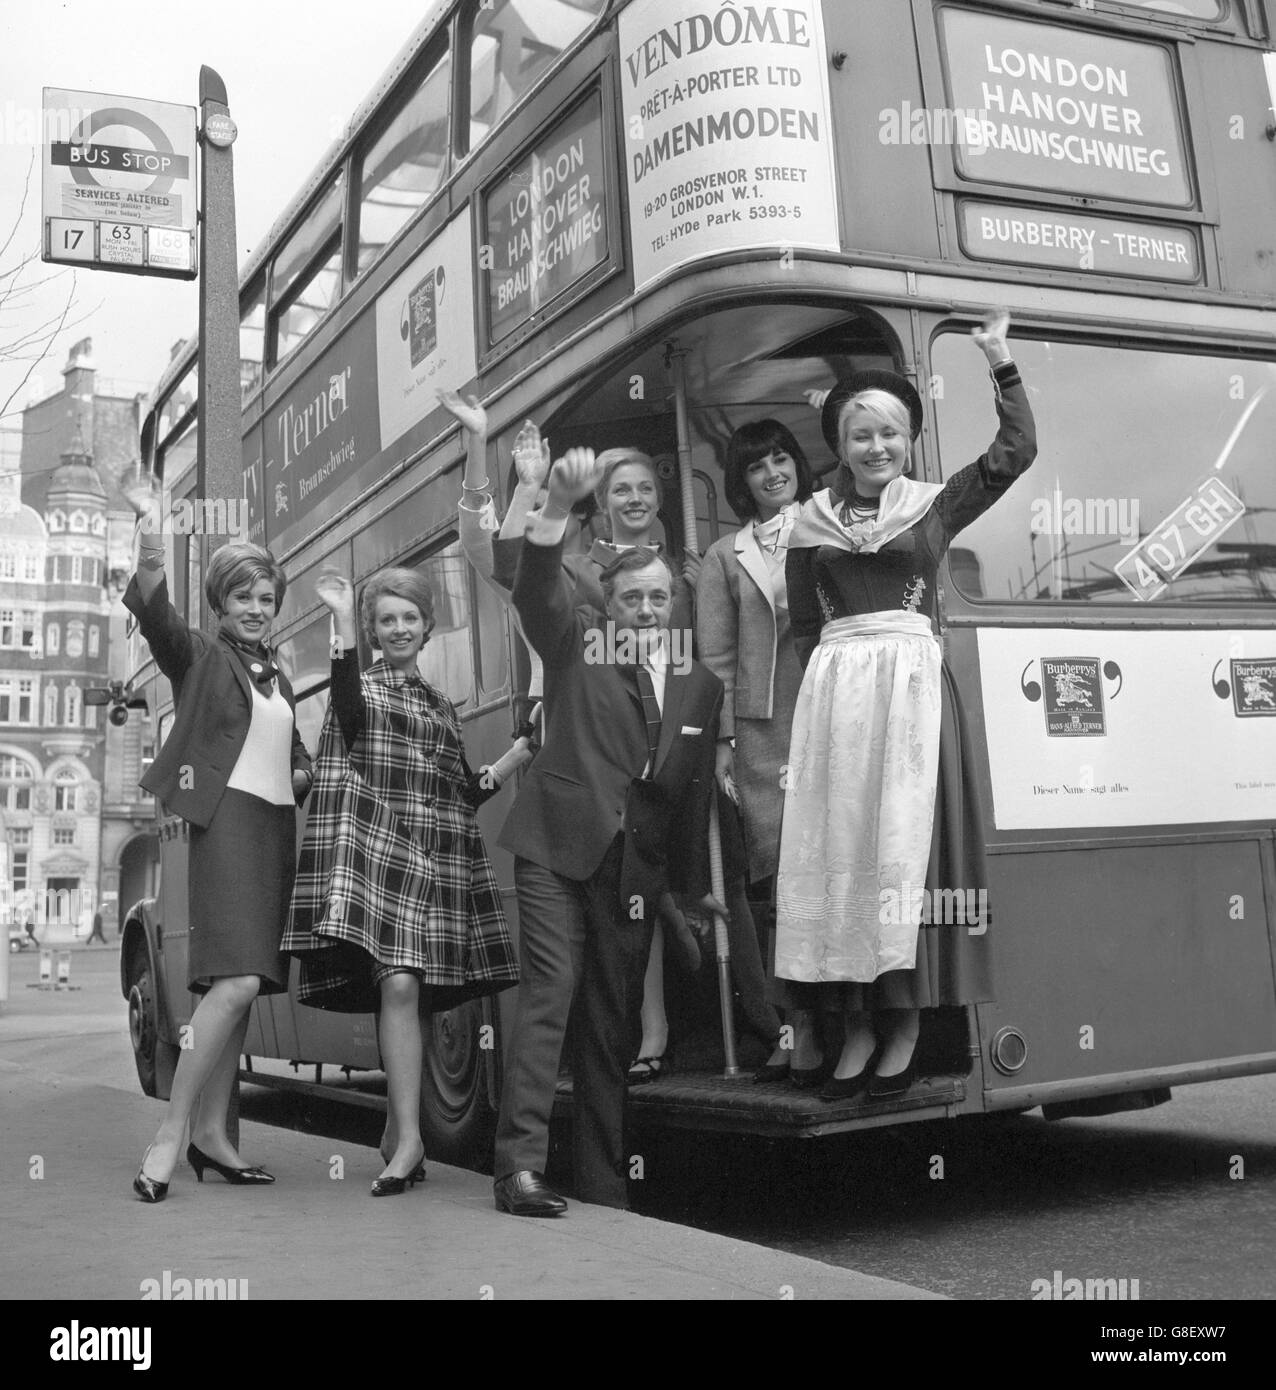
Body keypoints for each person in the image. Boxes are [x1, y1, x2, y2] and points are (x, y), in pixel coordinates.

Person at [775, 310, 1036, 1101]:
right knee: (843, 856)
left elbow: (1015, 452)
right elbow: (805, 627)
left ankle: (907, 1021)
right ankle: (853, 1022)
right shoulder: (806, 525)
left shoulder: (932, 505)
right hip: (836, 702)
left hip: (914, 697)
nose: (876, 447)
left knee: (905, 856)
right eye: (860, 436)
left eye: (890, 433)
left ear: (908, 438)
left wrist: (1000, 361)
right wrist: (810, 721)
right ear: (839, 445)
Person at [492, 448, 725, 1215]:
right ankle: (519, 1169)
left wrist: (689, 892)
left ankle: (602, 1183)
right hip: (558, 849)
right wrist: (555, 506)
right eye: (635, 599)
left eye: (662, 599)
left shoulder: (698, 681)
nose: (649, 611)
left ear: (676, 606)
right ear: (610, 604)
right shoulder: (578, 642)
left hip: (632, 872)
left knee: (611, 1025)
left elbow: (684, 793)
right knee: (552, 995)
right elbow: (533, 590)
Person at [282, 566, 522, 1195]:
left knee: (409, 997)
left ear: (426, 625)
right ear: (373, 630)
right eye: (385, 620)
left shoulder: (443, 704)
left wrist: (518, 753)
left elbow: (464, 792)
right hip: (384, 861)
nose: (398, 628)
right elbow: (344, 700)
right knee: (400, 987)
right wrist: (339, 623)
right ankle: (412, 1141)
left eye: (408, 618)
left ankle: (398, 1132)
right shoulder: (359, 689)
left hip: (435, 864)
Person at [123, 488, 313, 1203]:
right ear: (221, 604)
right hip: (228, 825)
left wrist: (307, 770)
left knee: (243, 988)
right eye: (243, 596)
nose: (257, 607)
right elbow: (158, 618)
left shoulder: (281, 675)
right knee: (232, 982)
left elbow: (293, 754)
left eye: (266, 596)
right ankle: (172, 1132)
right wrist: (152, 541)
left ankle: (214, 1137)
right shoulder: (203, 658)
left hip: (273, 832)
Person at [696, 420, 823, 1083]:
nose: (773, 473)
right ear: (741, 483)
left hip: (835, 713)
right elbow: (715, 659)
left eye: (781, 458)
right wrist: (722, 742)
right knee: (780, 884)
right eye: (756, 467)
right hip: (762, 732)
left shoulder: (833, 521)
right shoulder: (726, 555)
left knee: (841, 871)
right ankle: (796, 1026)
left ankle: (851, 1022)